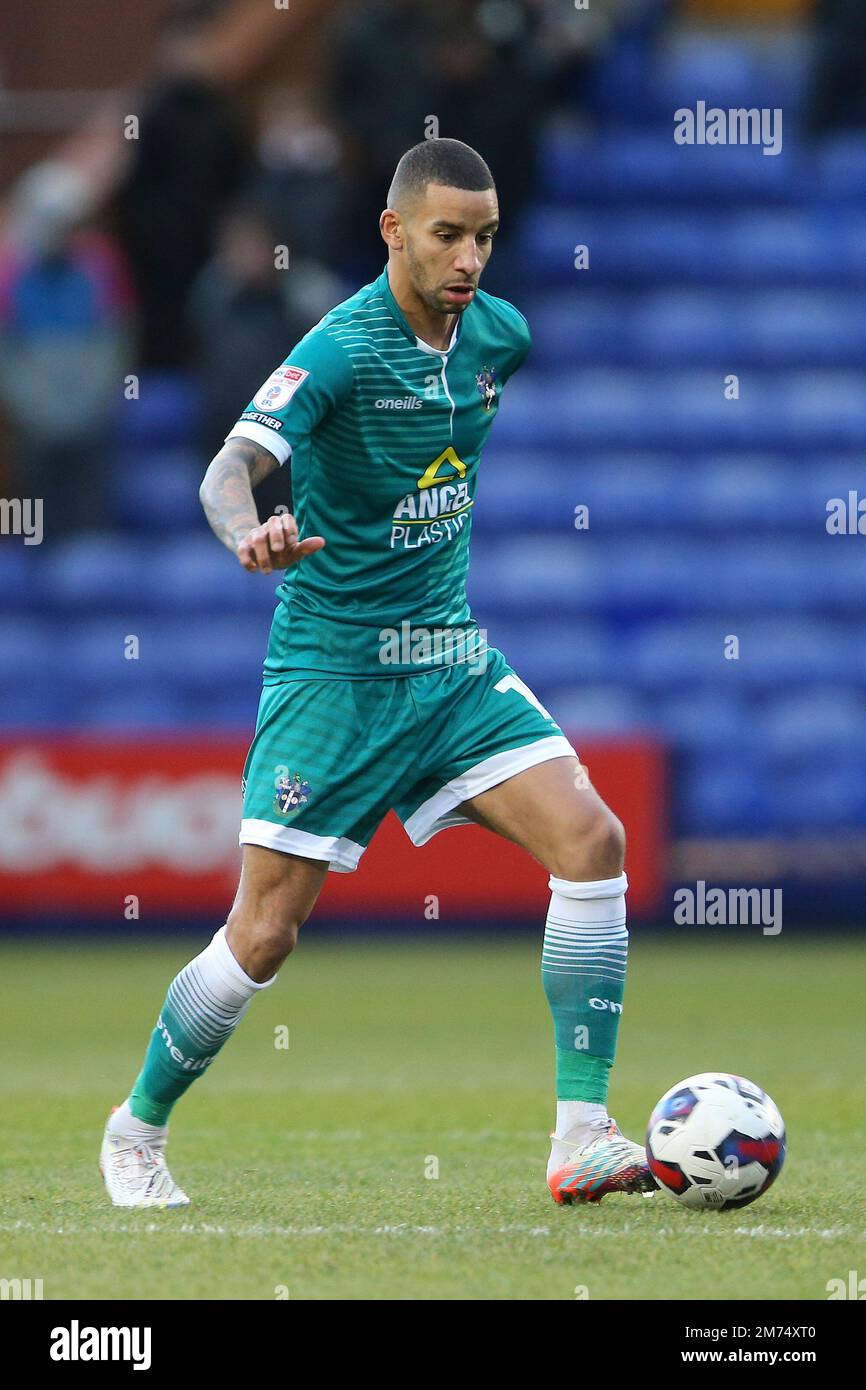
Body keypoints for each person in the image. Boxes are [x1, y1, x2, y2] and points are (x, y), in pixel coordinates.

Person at [99, 138, 653, 1208]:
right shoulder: (342, 348)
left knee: (592, 840)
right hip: (334, 670)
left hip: (446, 662)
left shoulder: (500, 337)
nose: (469, 257)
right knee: (263, 934)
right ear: (393, 231)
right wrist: (246, 531)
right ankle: (135, 1129)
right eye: (446, 233)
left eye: (484, 235)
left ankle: (580, 1132)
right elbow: (231, 468)